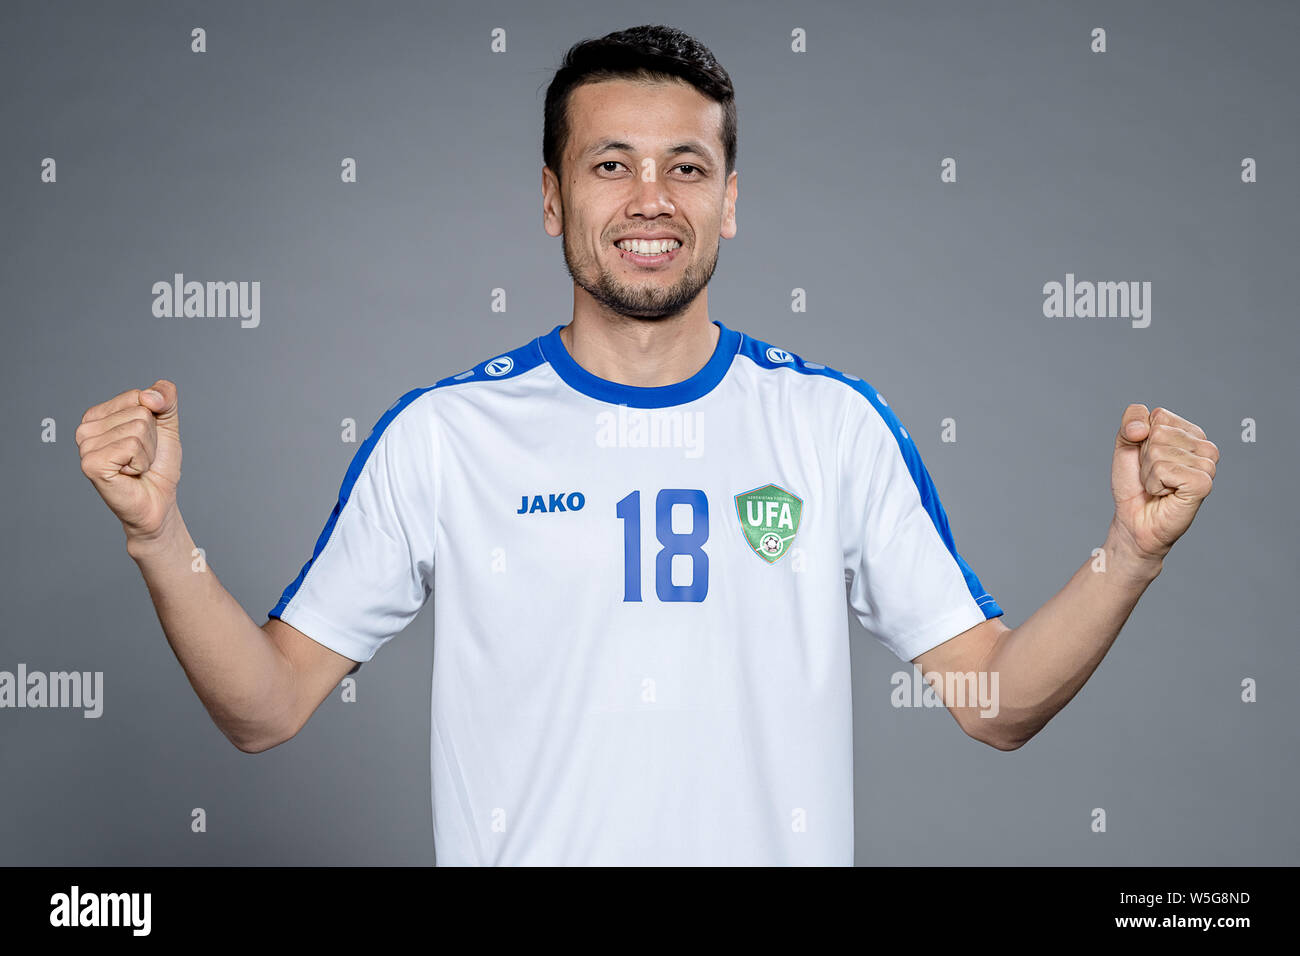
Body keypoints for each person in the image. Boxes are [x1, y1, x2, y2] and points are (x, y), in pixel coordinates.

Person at [75, 24, 1218, 865]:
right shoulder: (444, 437)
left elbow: (993, 699)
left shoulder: (830, 427)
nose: (650, 197)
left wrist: (1131, 552)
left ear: (731, 200)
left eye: (687, 166)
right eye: (610, 162)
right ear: (549, 196)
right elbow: (266, 706)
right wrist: (159, 536)